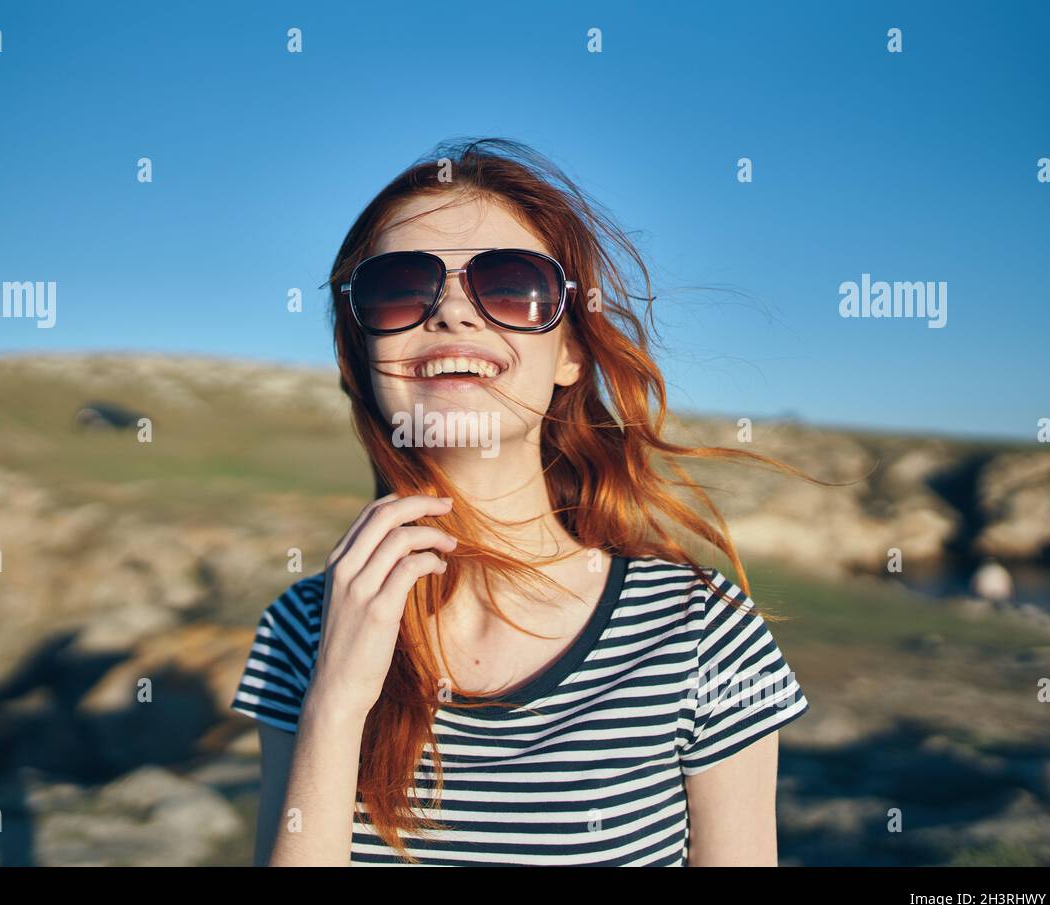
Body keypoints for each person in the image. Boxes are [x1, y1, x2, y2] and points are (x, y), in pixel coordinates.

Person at [231, 138, 815, 866]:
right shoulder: (299, 629)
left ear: (571, 352)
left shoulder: (702, 632)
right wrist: (338, 700)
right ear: (365, 354)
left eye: (510, 284)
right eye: (400, 288)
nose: (450, 312)